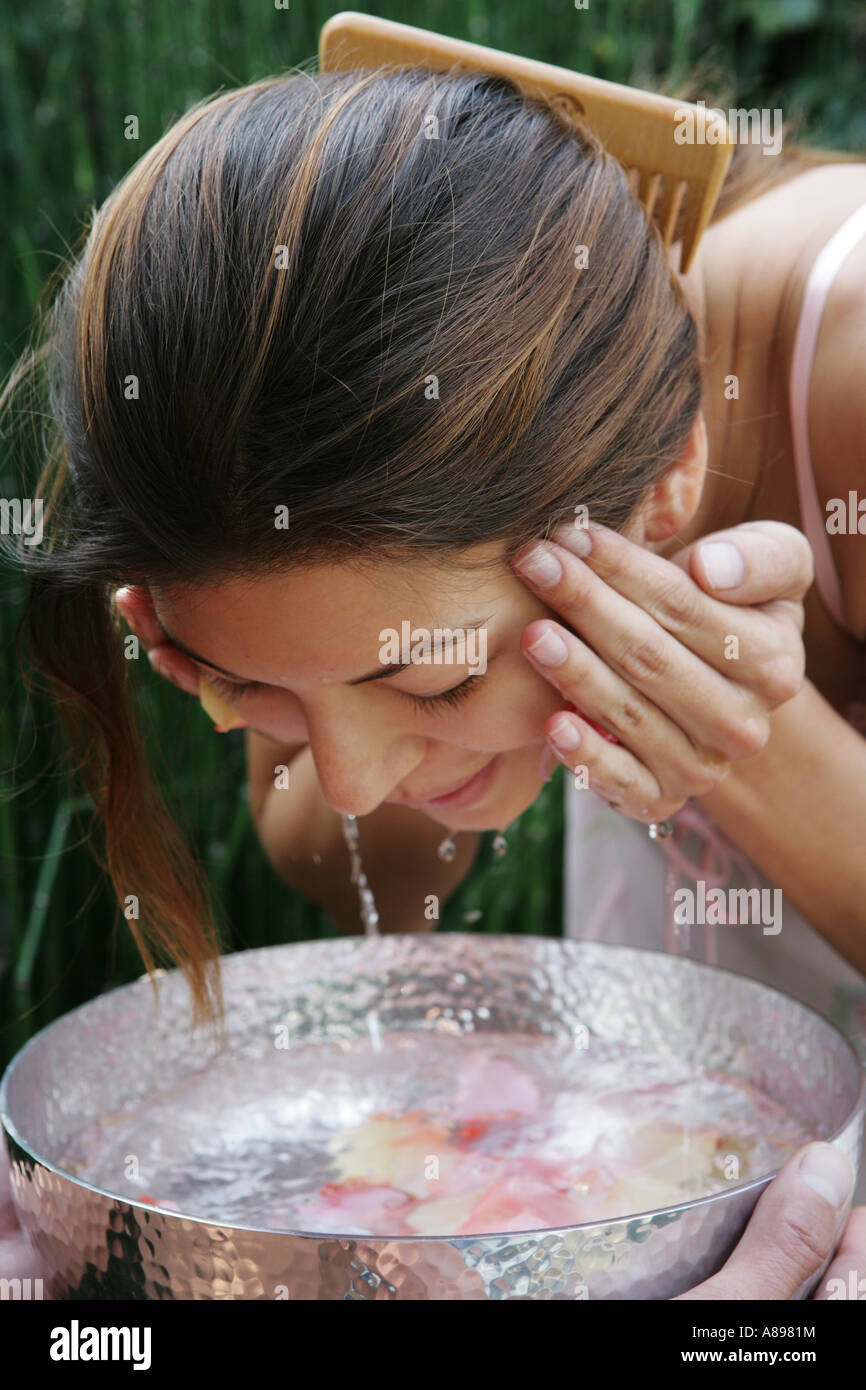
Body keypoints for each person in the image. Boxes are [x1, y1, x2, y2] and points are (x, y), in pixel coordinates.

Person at [4, 65, 864, 1299]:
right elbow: (339, 858)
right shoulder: (298, 447)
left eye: (429, 686)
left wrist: (748, 739)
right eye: (268, 686)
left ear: (670, 470)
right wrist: (293, 690)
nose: (346, 778)